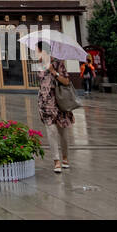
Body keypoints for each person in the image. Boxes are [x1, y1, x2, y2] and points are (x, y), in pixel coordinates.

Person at [37, 46, 74, 174]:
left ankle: (65, 158)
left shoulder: (58, 64)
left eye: (38, 50)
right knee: (51, 131)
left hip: (59, 103)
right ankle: (56, 161)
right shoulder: (40, 65)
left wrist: (54, 72)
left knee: (63, 133)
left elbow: (67, 81)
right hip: (46, 105)